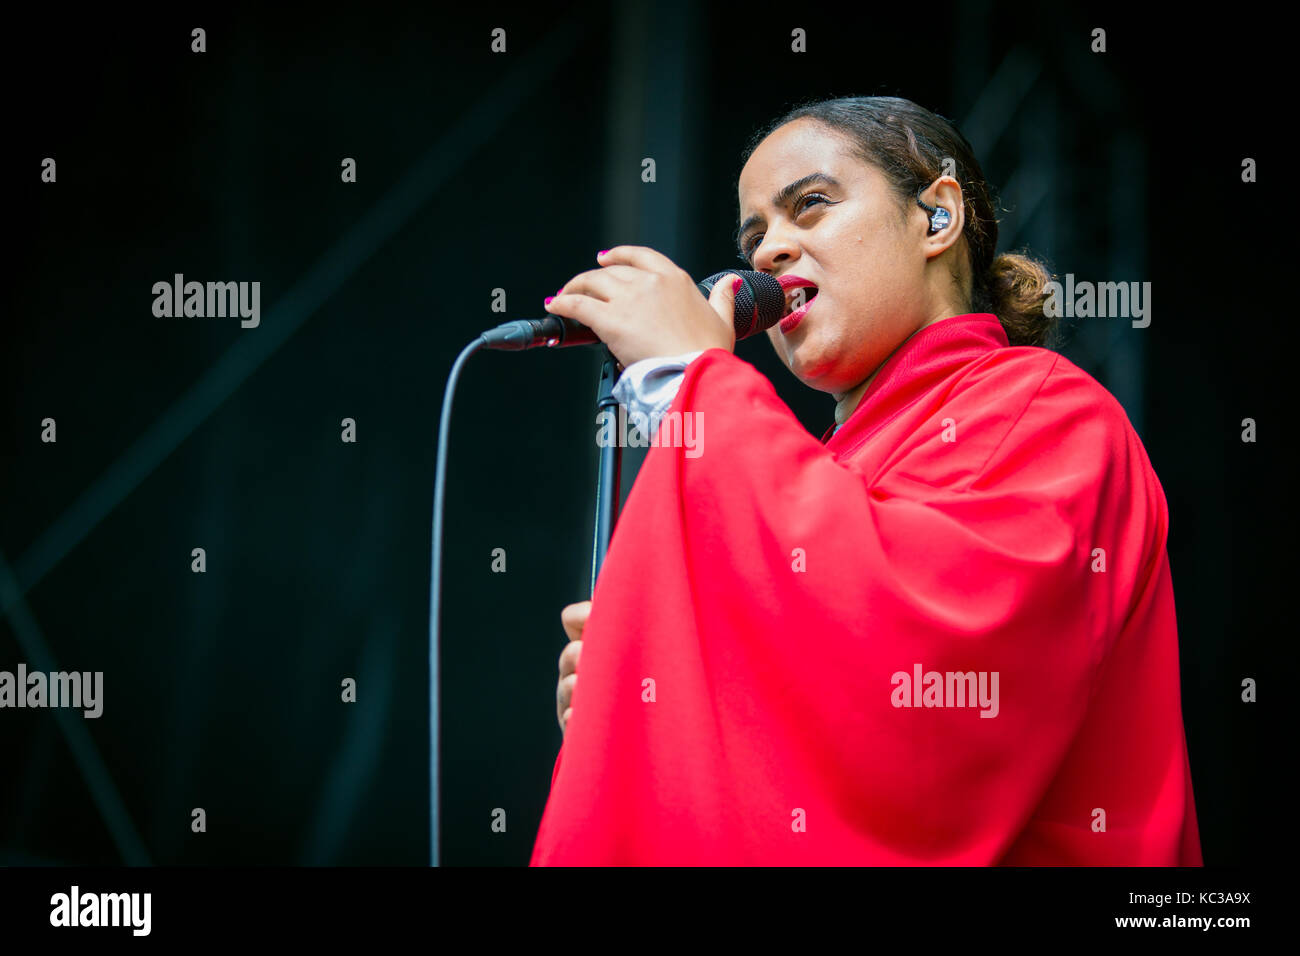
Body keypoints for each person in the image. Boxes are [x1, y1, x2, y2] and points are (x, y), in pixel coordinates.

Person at [531, 95, 1202, 865]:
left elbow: (919, 683)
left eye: (809, 206)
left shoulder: (1049, 410)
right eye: (754, 238)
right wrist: (651, 703)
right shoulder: (808, 468)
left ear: (937, 218)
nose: (770, 253)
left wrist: (691, 380)